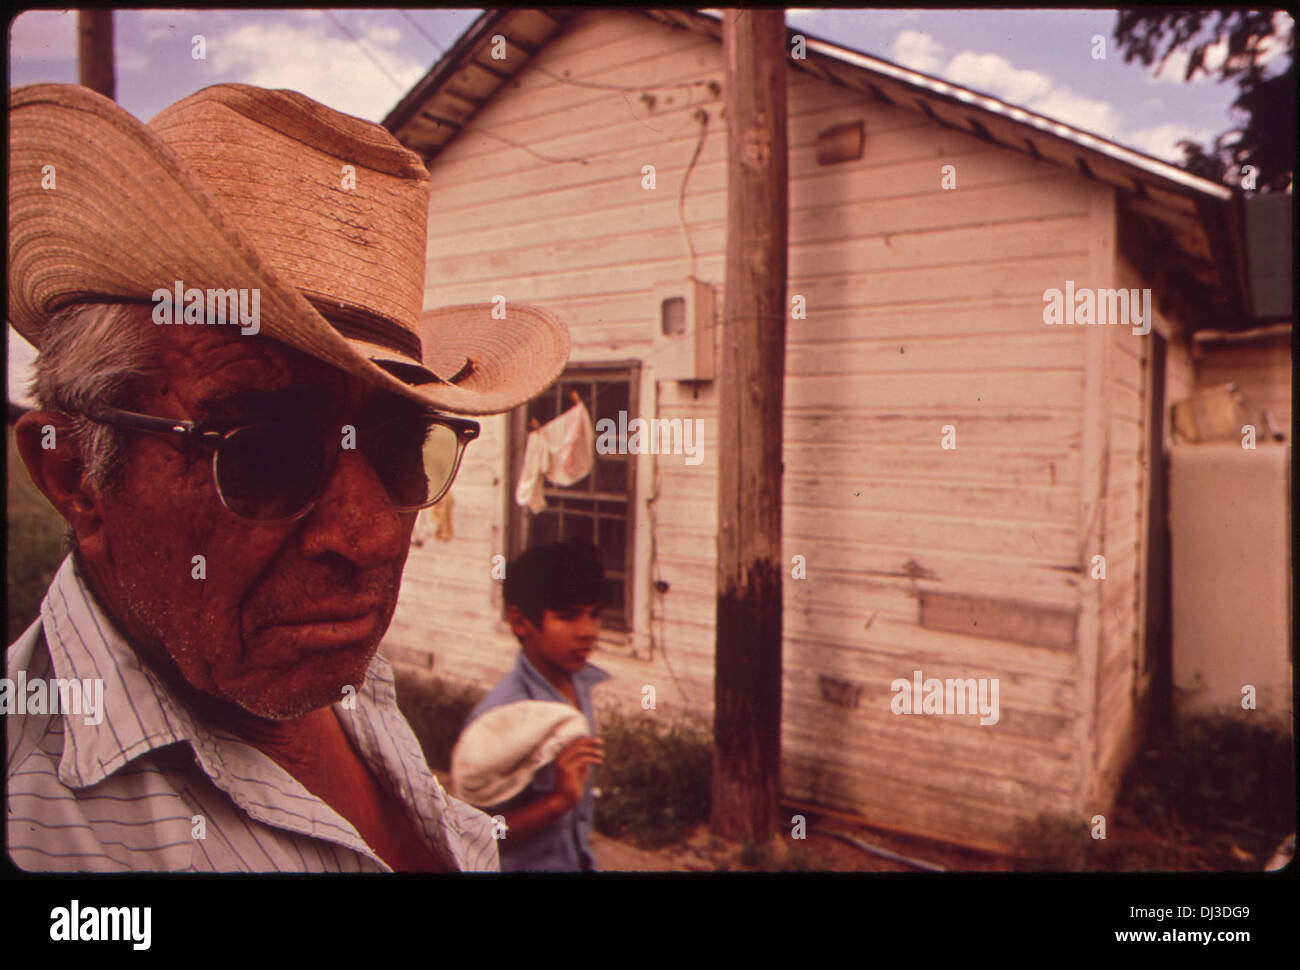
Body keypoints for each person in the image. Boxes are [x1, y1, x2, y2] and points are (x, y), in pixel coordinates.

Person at [5, 81, 571, 872]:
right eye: (262, 453)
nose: (370, 535)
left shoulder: (336, 675)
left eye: (404, 446)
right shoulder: (41, 828)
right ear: (73, 476)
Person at [462, 539, 609, 871]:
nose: (588, 632)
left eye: (595, 614)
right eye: (568, 617)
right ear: (520, 621)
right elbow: (475, 834)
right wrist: (558, 801)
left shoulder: (577, 682)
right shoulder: (502, 715)